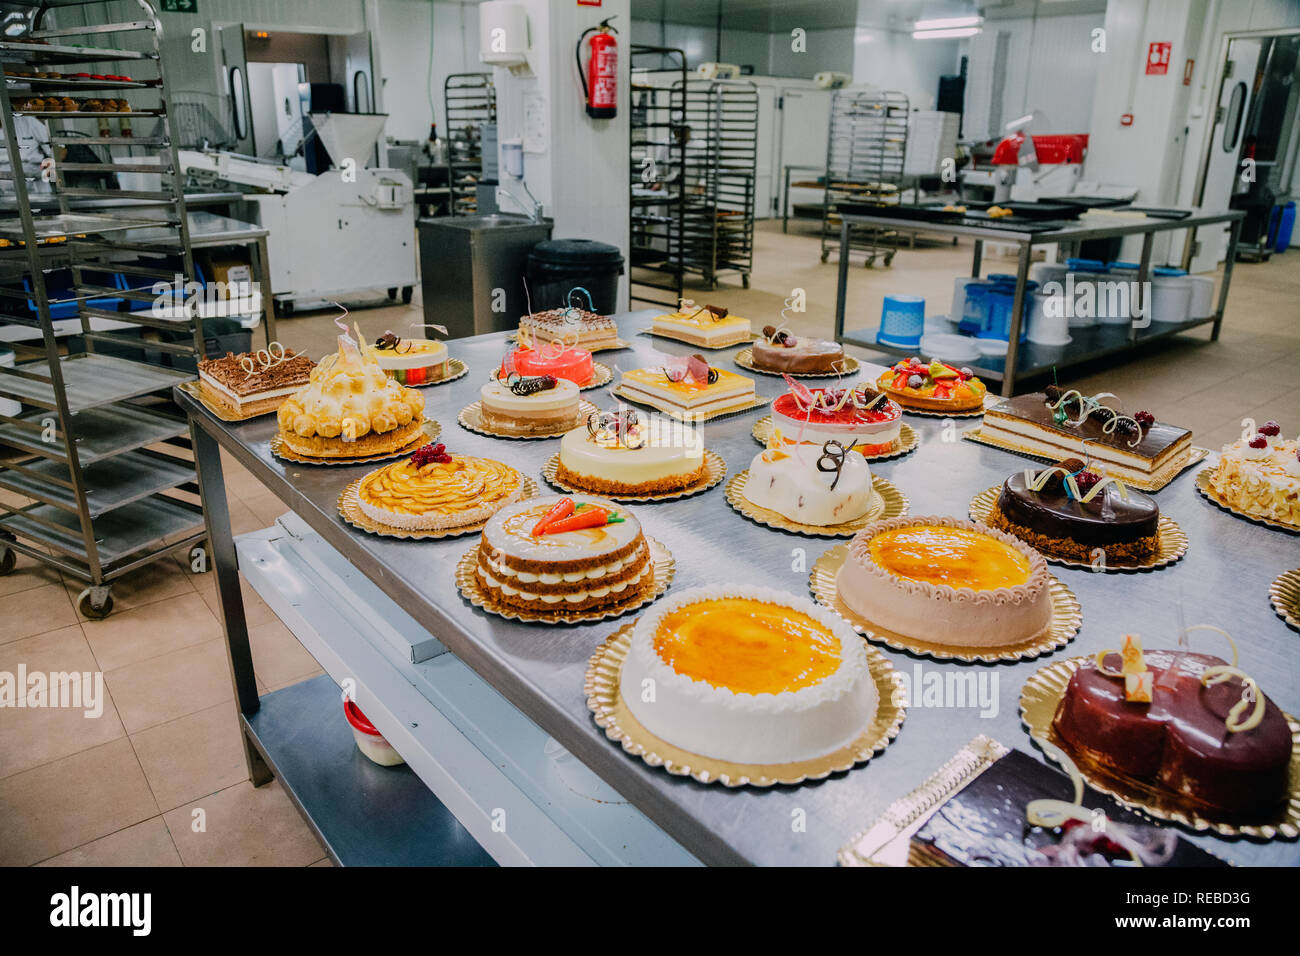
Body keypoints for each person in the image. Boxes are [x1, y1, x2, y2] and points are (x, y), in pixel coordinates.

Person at [0, 109, 56, 196]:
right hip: (3, 193)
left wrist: (48, 173)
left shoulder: (28, 122)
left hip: (36, 188)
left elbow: (58, 150)